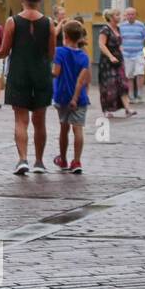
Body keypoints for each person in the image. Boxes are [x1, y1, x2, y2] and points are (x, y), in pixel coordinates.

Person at [0, 0, 55, 175]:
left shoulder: (13, 22)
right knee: (40, 121)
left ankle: (22, 159)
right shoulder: (49, 23)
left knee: (20, 120)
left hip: (19, 73)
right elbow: (51, 54)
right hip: (41, 74)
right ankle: (39, 162)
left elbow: (4, 51)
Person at [51, 19, 91, 174]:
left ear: (65, 36)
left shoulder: (59, 52)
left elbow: (56, 72)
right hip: (79, 99)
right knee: (78, 129)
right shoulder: (84, 57)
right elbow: (82, 80)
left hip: (62, 96)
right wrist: (75, 98)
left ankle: (63, 159)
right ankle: (77, 161)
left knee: (64, 128)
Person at [97, 10, 137, 118]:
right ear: (110, 17)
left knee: (123, 84)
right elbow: (101, 45)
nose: (119, 17)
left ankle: (128, 109)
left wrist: (122, 51)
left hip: (118, 60)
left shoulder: (118, 29)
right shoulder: (105, 30)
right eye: (117, 15)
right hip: (107, 62)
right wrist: (110, 56)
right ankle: (107, 109)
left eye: (119, 14)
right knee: (109, 86)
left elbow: (119, 44)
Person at [118, 6, 145, 103]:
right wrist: (120, 51)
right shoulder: (121, 26)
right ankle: (131, 95)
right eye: (128, 14)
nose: (130, 16)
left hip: (139, 53)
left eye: (132, 14)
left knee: (140, 73)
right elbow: (118, 41)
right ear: (125, 16)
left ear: (135, 15)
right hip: (126, 54)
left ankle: (139, 95)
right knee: (129, 76)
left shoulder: (141, 25)